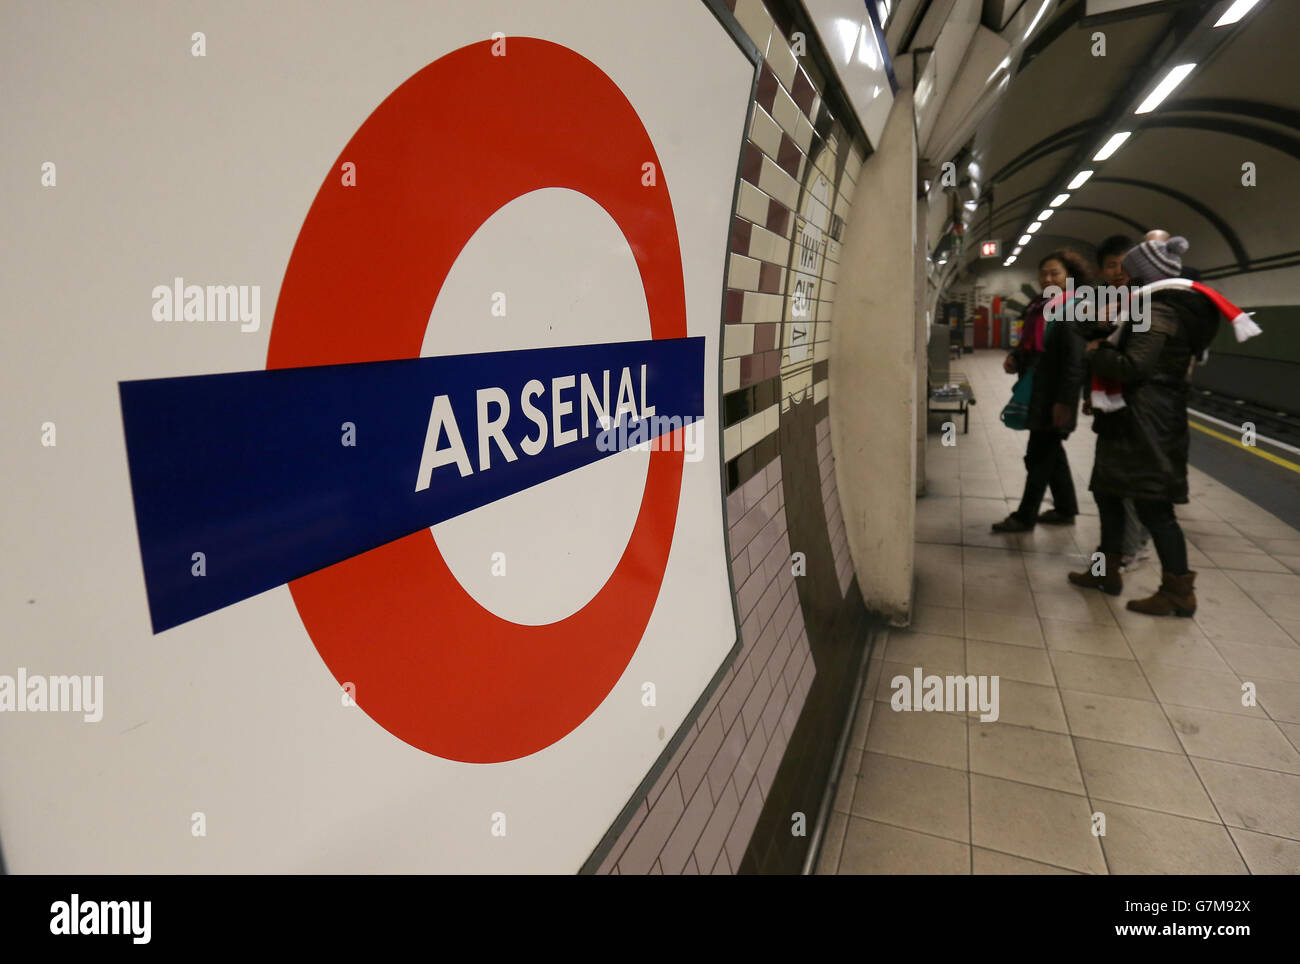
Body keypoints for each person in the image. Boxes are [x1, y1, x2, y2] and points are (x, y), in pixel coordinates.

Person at [1068, 232, 1220, 615]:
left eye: (1133, 274)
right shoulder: (1151, 306)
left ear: (1147, 276)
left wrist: (1096, 353)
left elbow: (1134, 366)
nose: (1126, 280)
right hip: (1130, 418)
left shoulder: (1157, 311)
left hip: (1147, 421)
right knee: (1108, 493)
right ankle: (1106, 571)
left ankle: (1177, 590)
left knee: (1154, 507)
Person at [992, 250, 1090, 533]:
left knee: (1038, 455)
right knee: (1049, 452)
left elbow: (1074, 362)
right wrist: (1017, 357)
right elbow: (1036, 346)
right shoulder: (1042, 307)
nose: (1048, 279)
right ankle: (1065, 508)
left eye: (1055, 273)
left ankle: (1025, 517)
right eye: (1044, 273)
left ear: (1070, 277)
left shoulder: (1073, 308)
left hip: (1055, 396)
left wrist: (1065, 402)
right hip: (1040, 391)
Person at [1093, 234, 1153, 574]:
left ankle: (1127, 550)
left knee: (1122, 483)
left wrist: (1098, 351)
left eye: (1125, 264)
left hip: (1134, 407)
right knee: (1120, 482)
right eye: (1111, 264)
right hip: (1113, 403)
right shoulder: (1109, 302)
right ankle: (1130, 545)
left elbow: (1132, 363)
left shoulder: (1144, 303)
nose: (1118, 271)